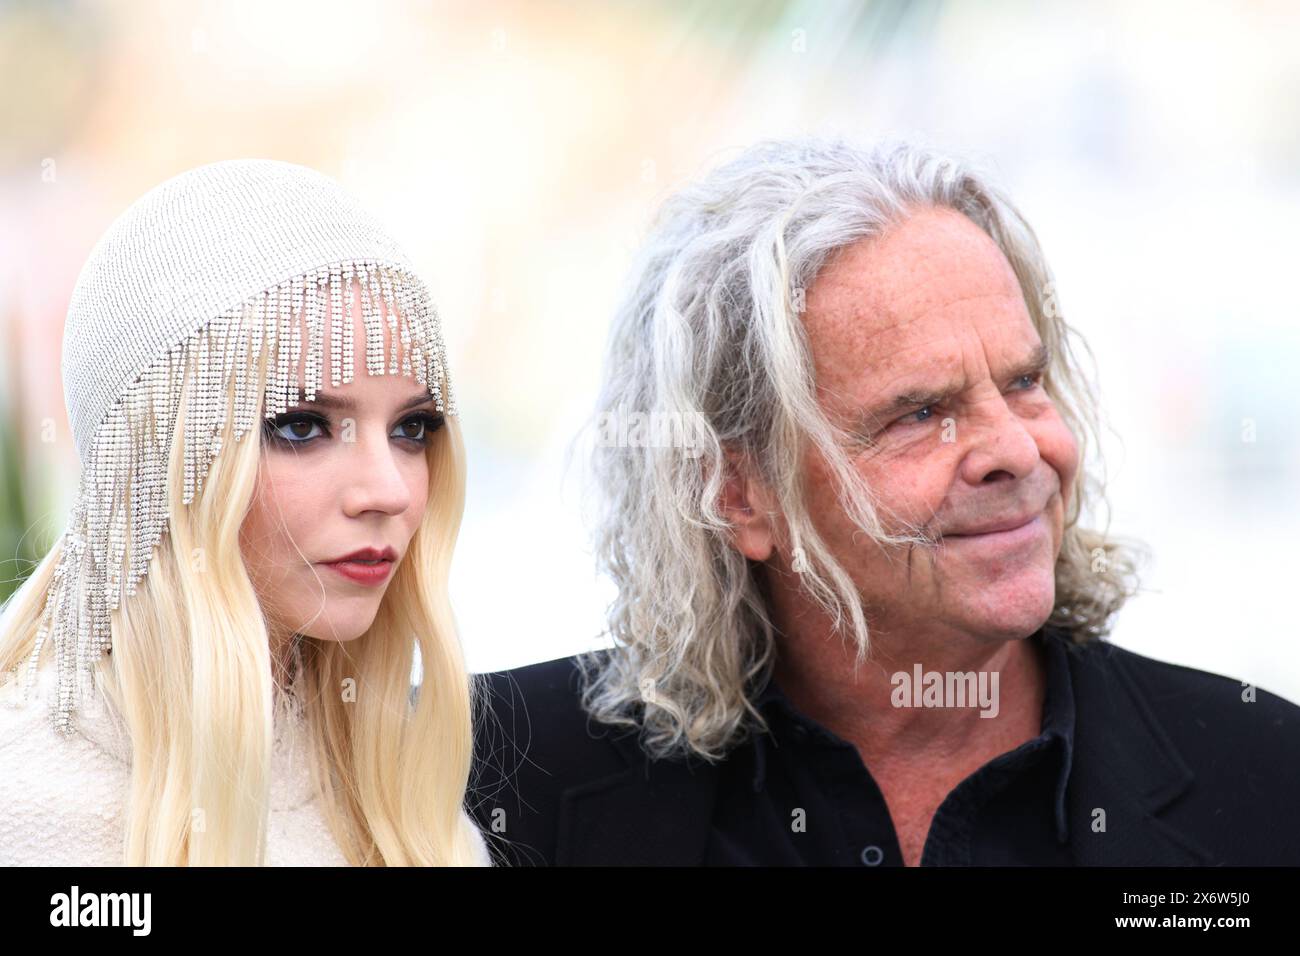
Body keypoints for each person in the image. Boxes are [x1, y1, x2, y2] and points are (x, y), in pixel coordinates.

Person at [468, 135, 1300, 866]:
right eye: (922, 414)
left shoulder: (1264, 779)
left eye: (1024, 383)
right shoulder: (495, 778)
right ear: (737, 494)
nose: (1017, 450)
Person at [0, 159, 490, 866]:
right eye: (301, 426)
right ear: (154, 462)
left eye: (412, 429)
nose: (389, 491)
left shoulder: (394, 784)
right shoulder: (26, 805)